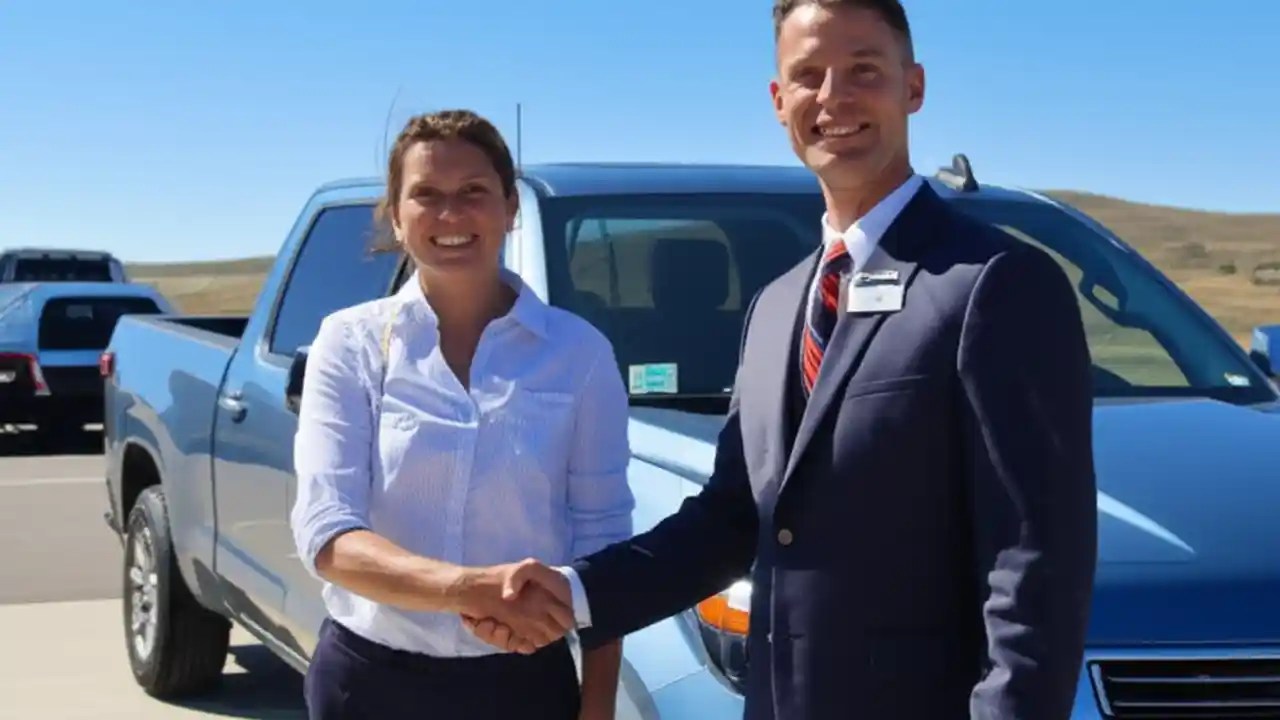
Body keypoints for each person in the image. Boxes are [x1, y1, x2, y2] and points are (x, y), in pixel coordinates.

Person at [463, 1, 1098, 718]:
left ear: (913, 86)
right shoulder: (775, 308)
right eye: (808, 75)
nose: (833, 98)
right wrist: (575, 594)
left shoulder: (993, 284)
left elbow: (1033, 563)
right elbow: (734, 520)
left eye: (863, 70)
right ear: (778, 100)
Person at [289, 109, 635, 720]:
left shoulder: (579, 355)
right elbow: (327, 533)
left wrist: (598, 701)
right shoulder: (349, 344)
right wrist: (471, 590)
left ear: (510, 208)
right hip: (369, 684)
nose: (450, 215)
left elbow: (603, 539)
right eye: (426, 194)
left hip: (523, 688)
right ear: (397, 216)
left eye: (473, 191)